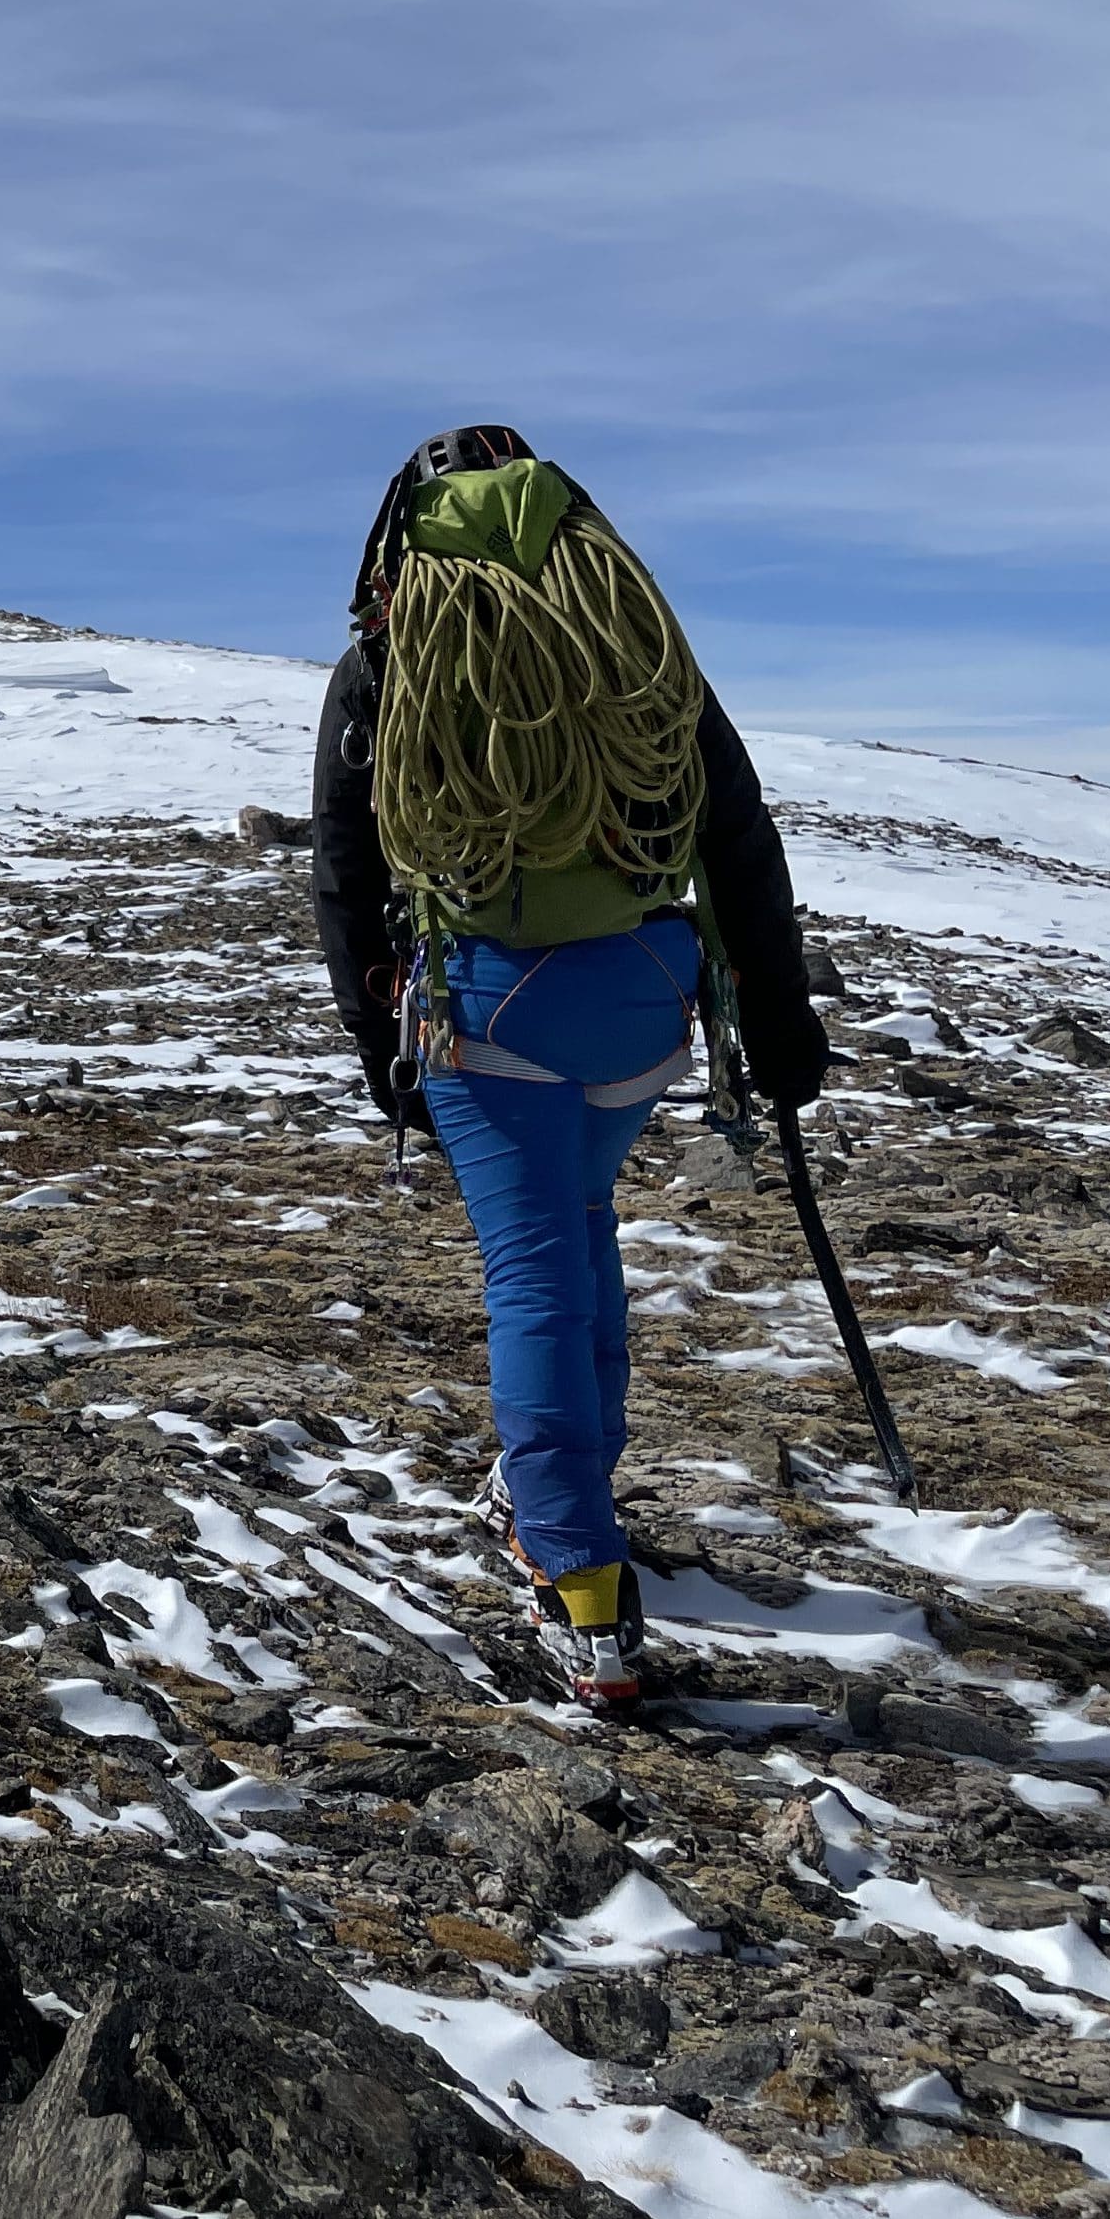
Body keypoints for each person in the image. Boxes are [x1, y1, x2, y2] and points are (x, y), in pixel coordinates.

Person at [308, 425, 828, 1710]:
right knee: (582, 1236)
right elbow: (735, 832)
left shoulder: (390, 659)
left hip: (498, 1010)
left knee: (534, 1272)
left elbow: (348, 868)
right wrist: (779, 1021)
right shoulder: (632, 637)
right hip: (647, 1005)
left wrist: (383, 1052)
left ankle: (579, 1584)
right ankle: (564, 1487)